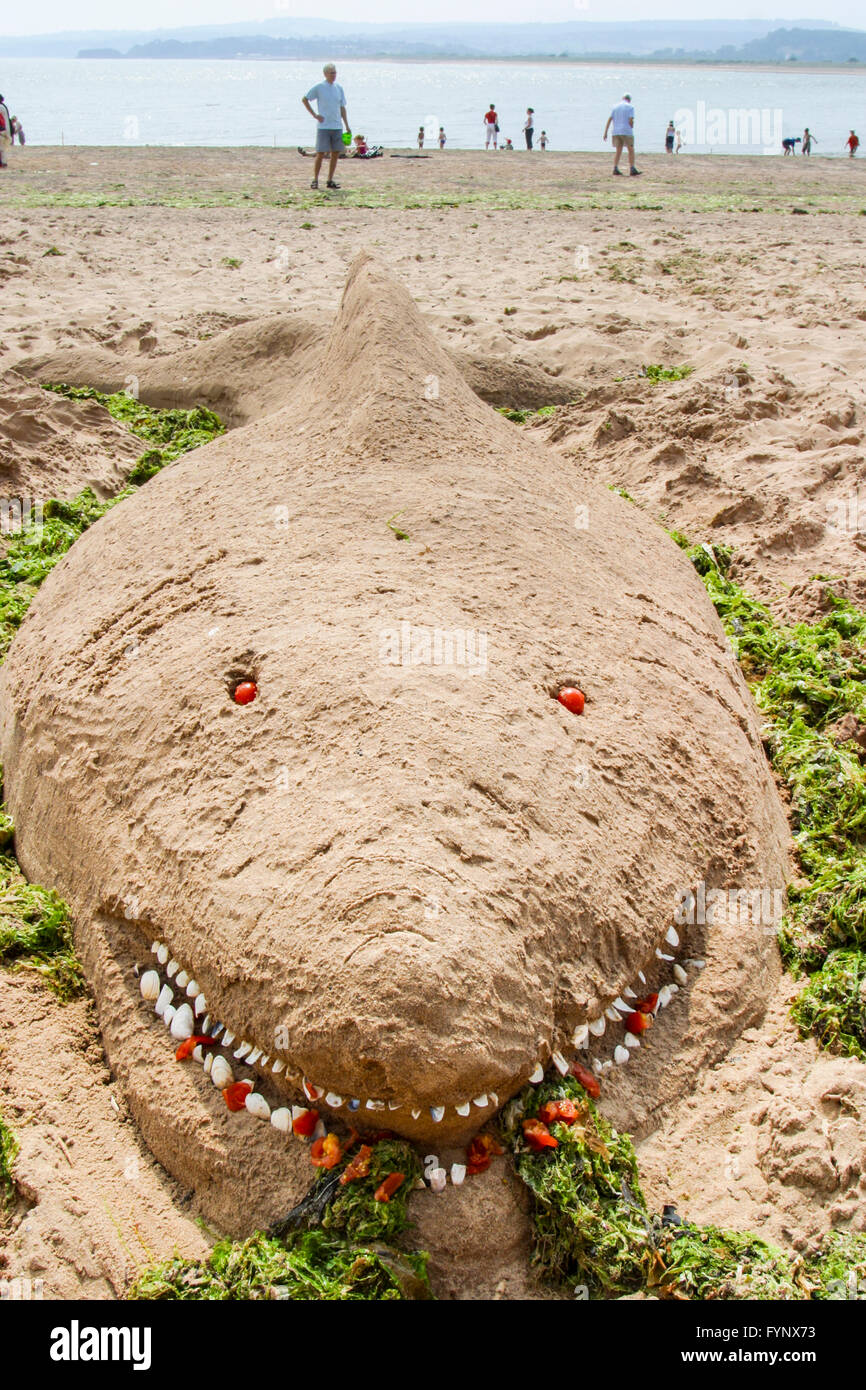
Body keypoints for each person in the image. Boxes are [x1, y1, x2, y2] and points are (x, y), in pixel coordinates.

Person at [301, 63, 351, 191]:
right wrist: (315, 115)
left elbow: (342, 107)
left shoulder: (339, 88)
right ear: (325, 74)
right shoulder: (319, 87)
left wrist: (346, 125)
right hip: (323, 126)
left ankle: (330, 179)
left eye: (335, 72)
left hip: (337, 126)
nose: (333, 75)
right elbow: (305, 99)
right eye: (331, 73)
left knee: (335, 153)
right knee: (320, 153)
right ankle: (315, 179)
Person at [604, 93, 640, 176]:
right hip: (626, 131)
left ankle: (615, 168)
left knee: (618, 150)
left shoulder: (615, 107)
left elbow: (609, 119)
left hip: (616, 131)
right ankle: (632, 168)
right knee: (630, 149)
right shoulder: (630, 107)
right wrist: (632, 125)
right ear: (629, 100)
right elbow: (630, 120)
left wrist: (605, 132)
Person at [0, 95, 11, 169]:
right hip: (4, 131)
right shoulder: (3, 107)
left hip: (2, 131)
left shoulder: (1, 107)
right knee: (2, 148)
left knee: (2, 149)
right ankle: (3, 163)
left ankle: (3, 163)